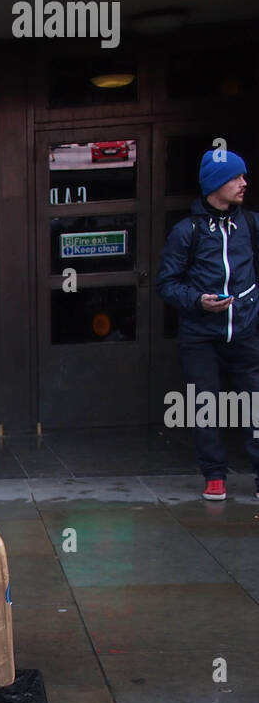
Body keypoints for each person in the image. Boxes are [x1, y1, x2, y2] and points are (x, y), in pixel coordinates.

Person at [156, 148, 259, 501]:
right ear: (216, 184)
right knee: (206, 405)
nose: (244, 183)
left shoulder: (250, 224)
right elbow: (166, 284)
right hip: (200, 336)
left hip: (244, 331)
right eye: (236, 177)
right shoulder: (187, 232)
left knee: (254, 403)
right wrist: (199, 301)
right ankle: (214, 476)